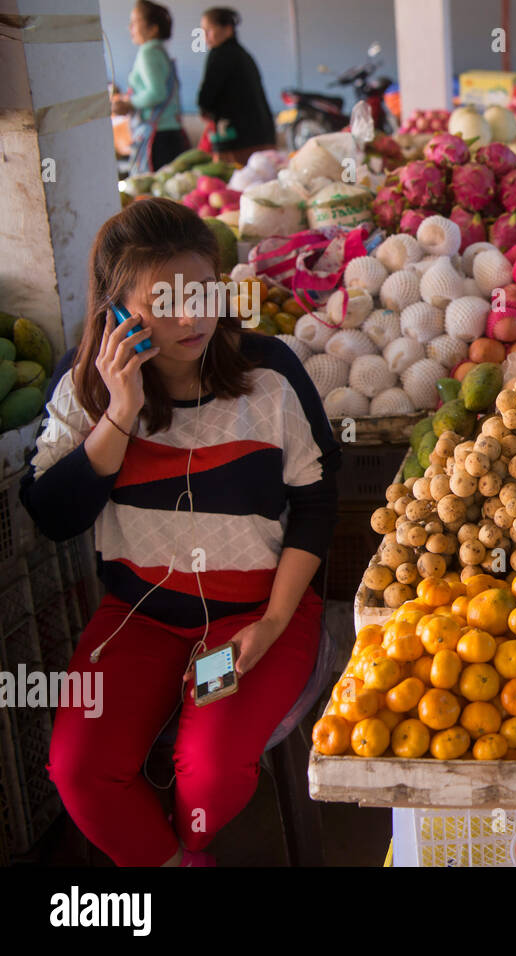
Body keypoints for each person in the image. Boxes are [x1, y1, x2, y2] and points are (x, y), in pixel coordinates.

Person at [23, 199, 340, 867]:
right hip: (140, 620)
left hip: (252, 618)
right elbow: (53, 516)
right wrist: (120, 412)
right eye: (163, 303)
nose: (191, 315)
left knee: (208, 768)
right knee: (79, 771)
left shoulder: (269, 373)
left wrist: (274, 622)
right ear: (117, 312)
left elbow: (316, 502)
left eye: (201, 291)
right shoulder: (83, 388)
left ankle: (187, 849)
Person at [196, 7, 277, 164]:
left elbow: (205, 98)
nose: (205, 37)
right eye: (202, 31)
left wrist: (204, 109)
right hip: (263, 136)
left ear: (228, 30)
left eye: (209, 30)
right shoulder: (244, 55)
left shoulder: (219, 54)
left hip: (238, 142)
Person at [112, 1, 186, 173]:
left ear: (153, 28)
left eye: (135, 22)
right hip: (169, 131)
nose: (129, 27)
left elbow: (156, 92)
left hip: (158, 135)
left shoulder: (148, 52)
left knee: (153, 191)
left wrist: (129, 102)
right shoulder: (159, 51)